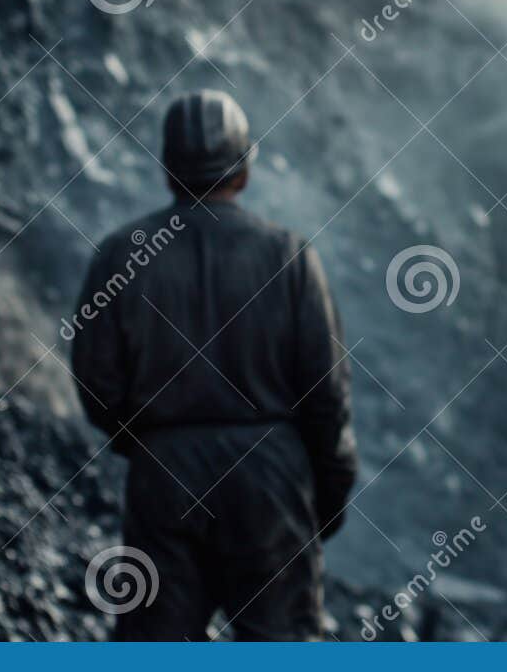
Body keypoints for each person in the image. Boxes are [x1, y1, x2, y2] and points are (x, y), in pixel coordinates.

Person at [70, 89, 357, 639]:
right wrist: (328, 490)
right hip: (270, 479)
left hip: (166, 476)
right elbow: (327, 394)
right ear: (244, 171)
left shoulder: (120, 255)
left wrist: (153, 446)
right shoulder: (289, 257)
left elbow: (97, 382)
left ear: (167, 171)